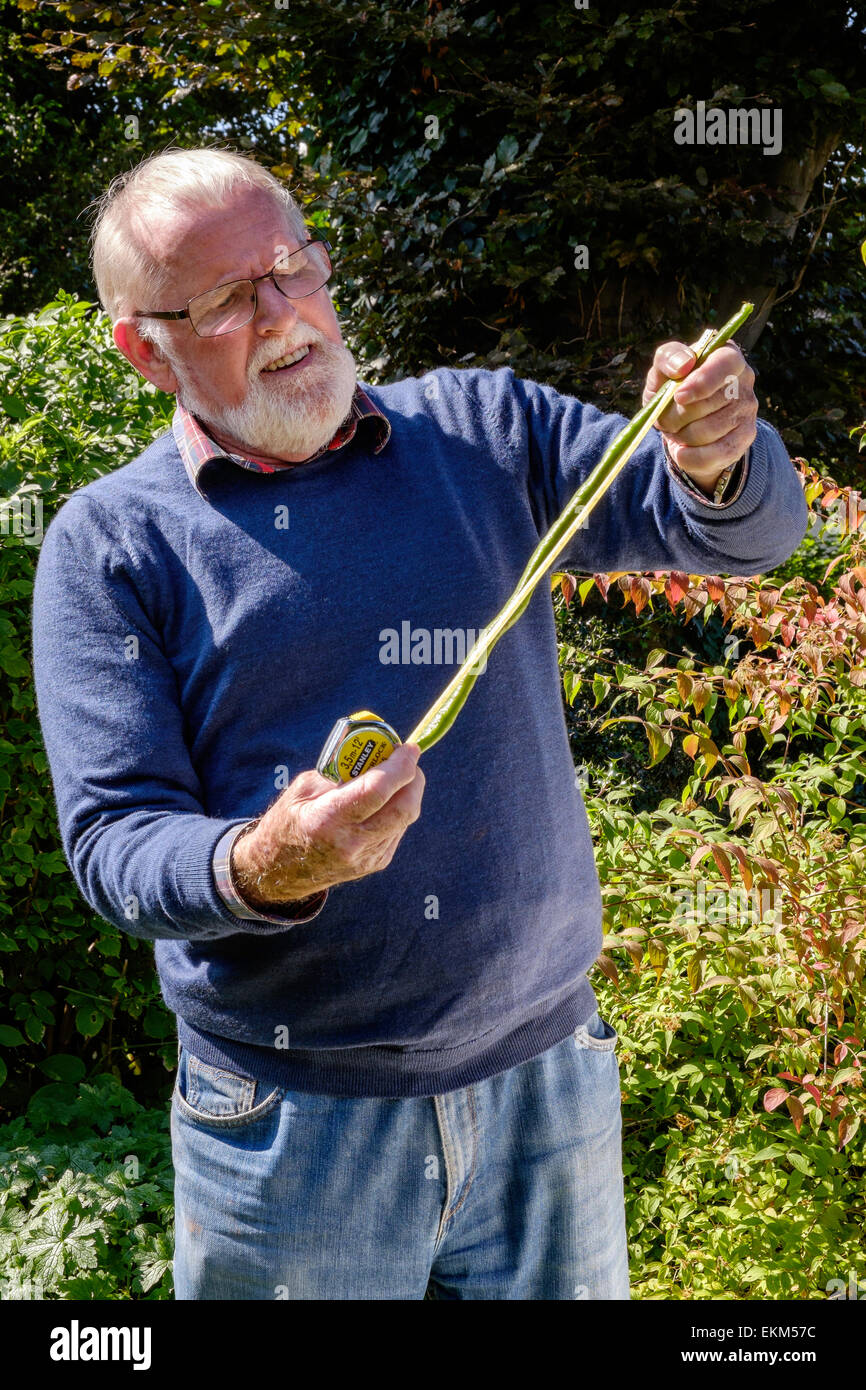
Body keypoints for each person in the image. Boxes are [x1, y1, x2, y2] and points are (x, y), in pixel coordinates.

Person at [31, 147, 808, 1301]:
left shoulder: (486, 433)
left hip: (547, 1084)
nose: (286, 313)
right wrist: (265, 862)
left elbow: (739, 535)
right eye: (231, 299)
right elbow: (114, 844)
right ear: (143, 345)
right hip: (290, 1126)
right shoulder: (109, 548)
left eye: (294, 267)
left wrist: (713, 454)